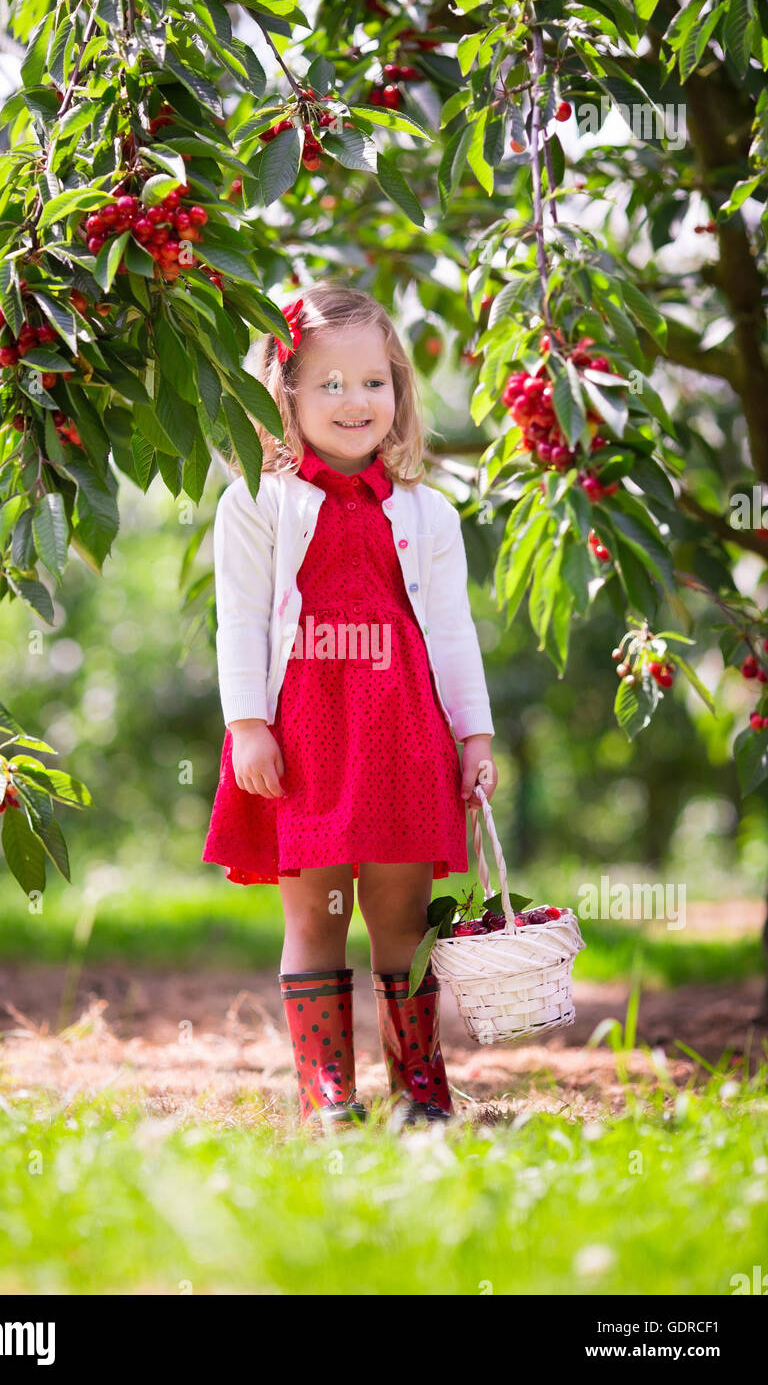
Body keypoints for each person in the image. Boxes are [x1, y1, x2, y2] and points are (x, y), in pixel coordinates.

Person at [202, 283, 498, 1128]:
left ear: (399, 391)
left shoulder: (428, 513)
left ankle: (419, 1088)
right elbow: (242, 620)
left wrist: (473, 735)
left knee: (402, 918)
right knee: (316, 912)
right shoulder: (255, 504)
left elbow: (451, 630)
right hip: (305, 737)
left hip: (404, 736)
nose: (355, 401)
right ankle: (328, 1091)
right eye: (329, 383)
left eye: (374, 382)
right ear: (285, 392)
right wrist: (246, 726)